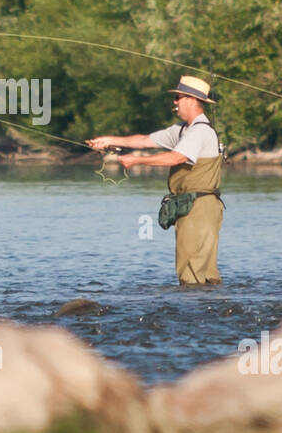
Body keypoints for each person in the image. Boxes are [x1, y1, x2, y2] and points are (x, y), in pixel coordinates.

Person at [87, 76, 225, 284]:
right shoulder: (182, 130)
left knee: (191, 270)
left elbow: (176, 157)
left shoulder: (200, 131)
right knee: (203, 271)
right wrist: (109, 140)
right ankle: (213, 310)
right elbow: (144, 140)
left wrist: (136, 162)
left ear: (190, 100)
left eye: (178, 97)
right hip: (192, 205)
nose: (175, 102)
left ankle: (194, 312)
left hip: (199, 206)